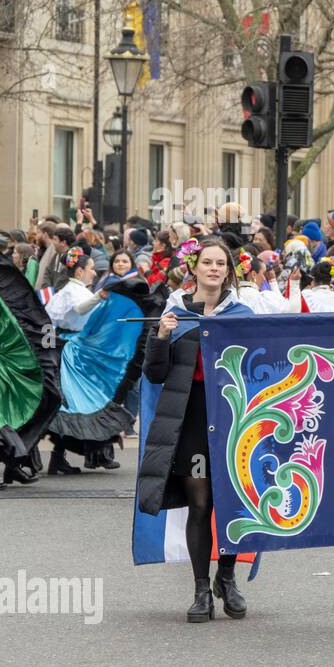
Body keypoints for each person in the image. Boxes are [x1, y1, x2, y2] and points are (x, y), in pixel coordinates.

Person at [139, 239, 255, 623]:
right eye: (207, 262)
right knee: (200, 503)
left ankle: (227, 577)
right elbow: (155, 374)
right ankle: (201, 589)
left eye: (221, 263)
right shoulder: (175, 311)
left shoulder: (242, 313)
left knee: (229, 503)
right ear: (195, 267)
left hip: (232, 419)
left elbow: (259, 367)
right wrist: (160, 336)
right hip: (191, 418)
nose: (214, 269)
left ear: (229, 270)